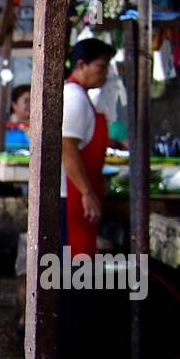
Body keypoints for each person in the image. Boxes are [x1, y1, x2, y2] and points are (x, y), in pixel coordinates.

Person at [61, 38, 114, 259]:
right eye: (100, 67)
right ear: (81, 65)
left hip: (77, 193)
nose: (105, 73)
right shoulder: (74, 98)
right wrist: (86, 192)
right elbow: (67, 148)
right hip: (72, 196)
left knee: (73, 264)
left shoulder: (80, 96)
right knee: (73, 262)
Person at [0, 84, 31, 159]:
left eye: (34, 100)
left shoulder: (39, 128)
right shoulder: (0, 126)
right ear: (14, 104)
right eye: (26, 101)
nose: (31, 104)